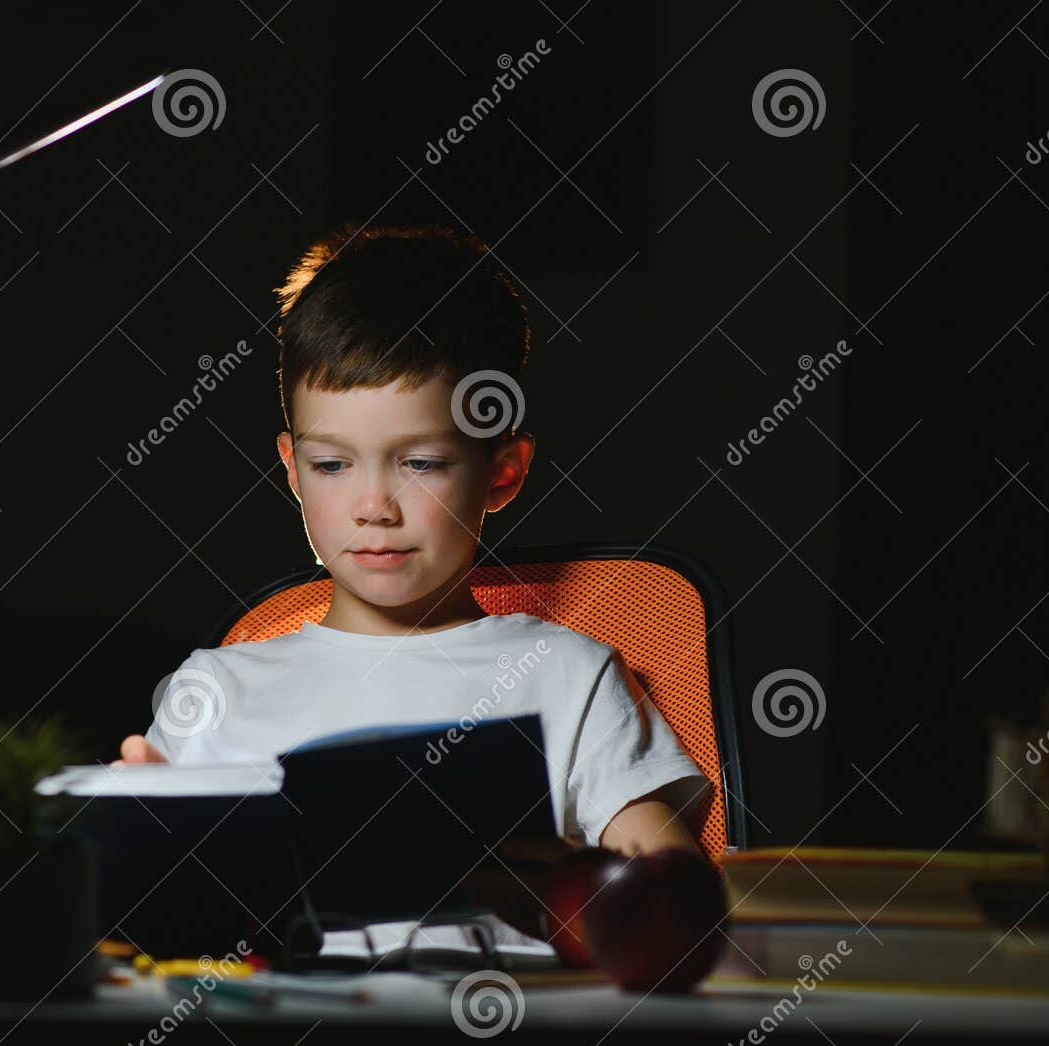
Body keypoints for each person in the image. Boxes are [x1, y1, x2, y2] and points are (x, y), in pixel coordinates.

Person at [115, 223, 713, 956]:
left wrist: (562, 885)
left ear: (502, 470)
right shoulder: (218, 688)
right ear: (292, 468)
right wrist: (137, 845)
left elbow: (681, 905)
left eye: (421, 461)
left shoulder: (567, 676)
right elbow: (156, 943)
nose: (375, 505)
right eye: (333, 464)